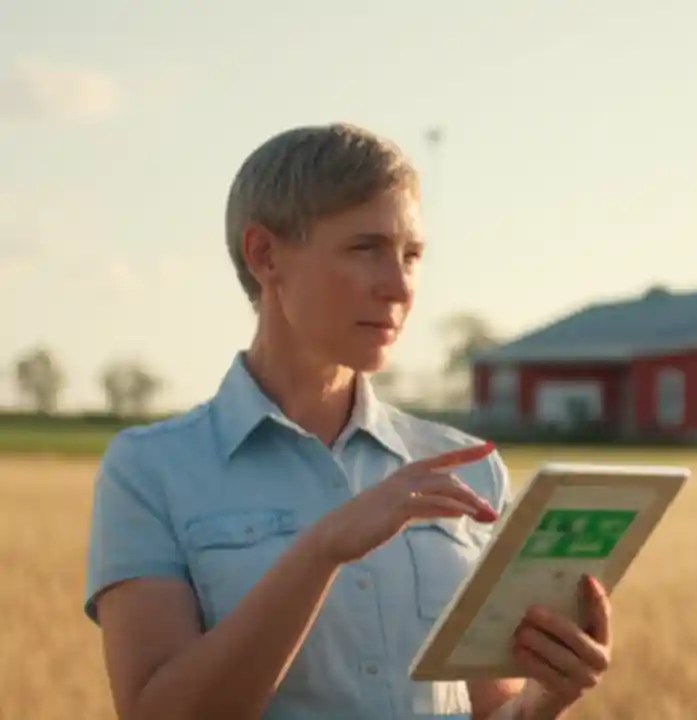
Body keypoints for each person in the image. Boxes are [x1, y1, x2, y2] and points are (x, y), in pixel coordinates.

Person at [83, 123, 612, 719]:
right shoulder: (151, 470)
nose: (400, 285)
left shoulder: (468, 468)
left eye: (412, 255)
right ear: (265, 255)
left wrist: (550, 695)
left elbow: (492, 710)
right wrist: (324, 550)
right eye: (367, 249)